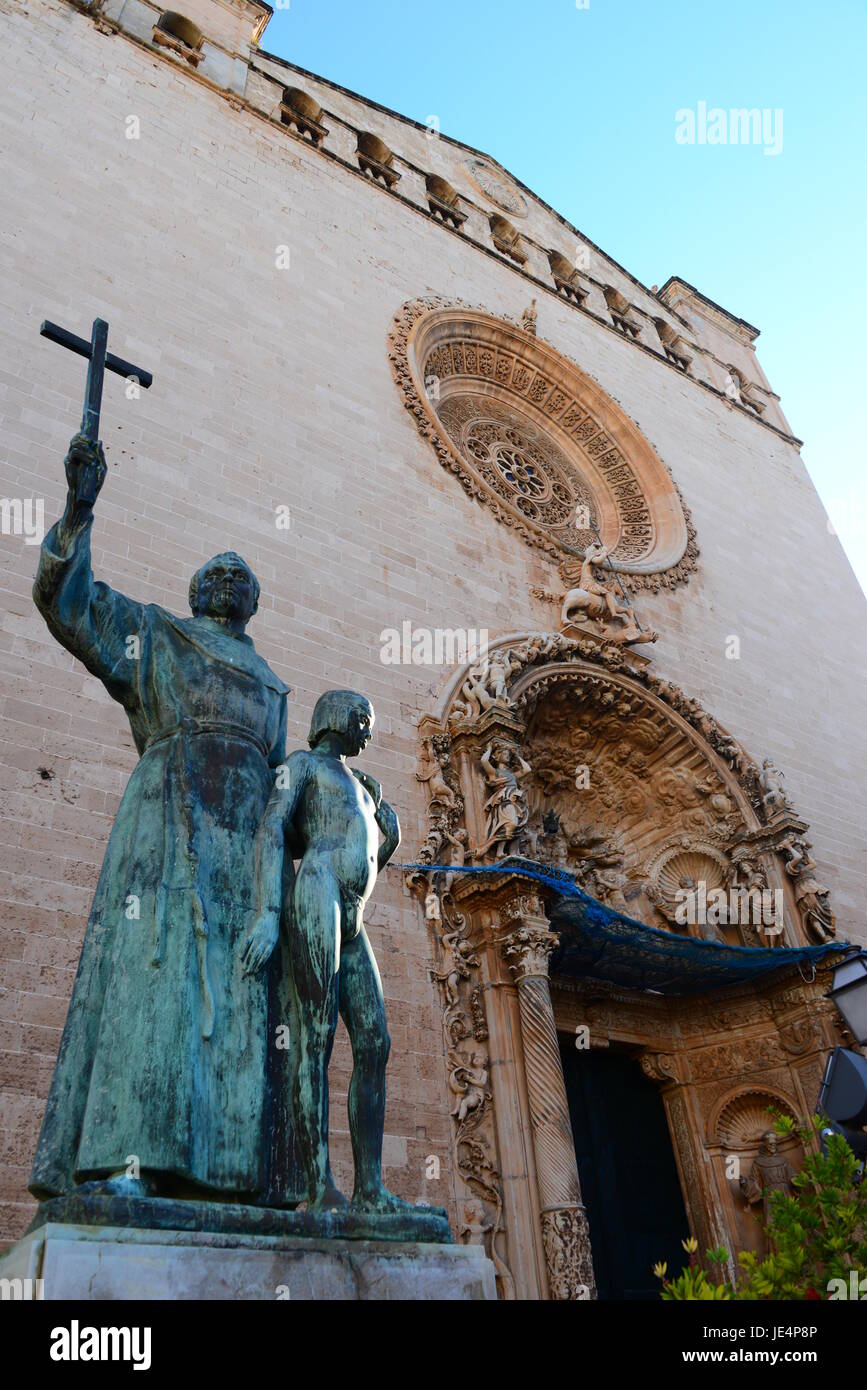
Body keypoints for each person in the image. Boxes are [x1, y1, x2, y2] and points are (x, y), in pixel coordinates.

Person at [29, 434, 293, 1204]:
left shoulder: (274, 687)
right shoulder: (158, 634)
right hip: (166, 821)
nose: (223, 578)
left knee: (242, 994)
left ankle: (235, 1174)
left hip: (244, 848)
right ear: (191, 591)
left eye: (237, 575)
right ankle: (126, 1162)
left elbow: (279, 777)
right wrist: (79, 509)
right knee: (154, 973)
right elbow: (67, 603)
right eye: (212, 571)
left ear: (251, 602)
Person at [243, 689, 413, 1213]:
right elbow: (274, 826)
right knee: (315, 1037)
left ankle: (371, 1189)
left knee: (375, 1041)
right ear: (339, 717)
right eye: (365, 720)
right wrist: (268, 912)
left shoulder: (362, 785)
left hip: (353, 914)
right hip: (316, 893)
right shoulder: (302, 765)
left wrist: (388, 840)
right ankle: (317, 1183)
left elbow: (367, 855)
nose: (368, 732)